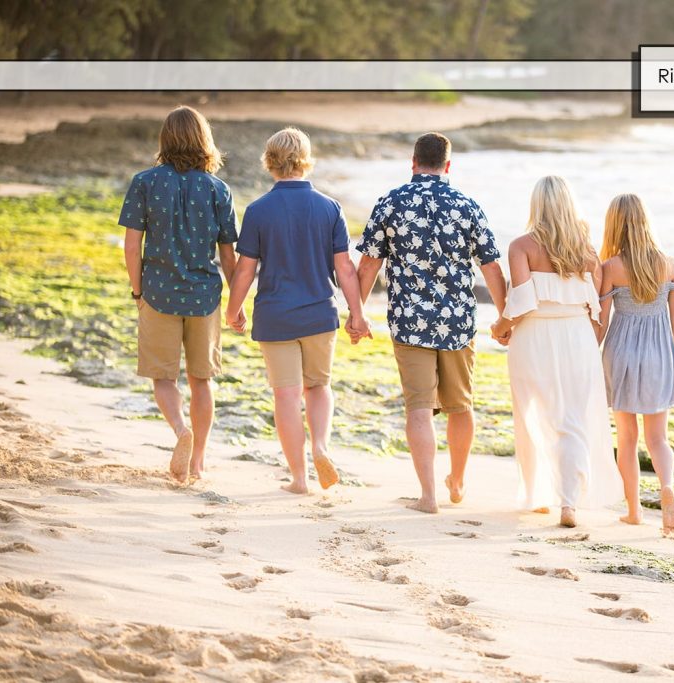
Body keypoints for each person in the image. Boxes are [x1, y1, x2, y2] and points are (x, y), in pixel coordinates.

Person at [356, 132, 507, 514]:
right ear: (448, 165)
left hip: (409, 321)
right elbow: (490, 267)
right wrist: (505, 315)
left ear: (413, 161)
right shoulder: (466, 205)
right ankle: (457, 480)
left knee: (419, 408)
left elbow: (369, 263)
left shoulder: (391, 202)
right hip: (457, 322)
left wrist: (356, 313)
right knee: (460, 406)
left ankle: (428, 496)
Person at [225, 128, 369, 494]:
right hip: (320, 313)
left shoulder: (258, 210)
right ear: (306, 160)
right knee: (319, 386)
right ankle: (321, 446)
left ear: (269, 162)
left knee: (286, 395)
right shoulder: (329, 207)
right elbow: (345, 268)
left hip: (276, 316)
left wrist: (234, 308)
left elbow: (246, 269)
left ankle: (300, 478)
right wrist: (357, 313)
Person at [490, 176, 621, 528]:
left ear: (537, 205)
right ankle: (568, 502)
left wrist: (500, 329)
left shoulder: (521, 246)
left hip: (533, 335)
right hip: (577, 335)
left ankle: (538, 494)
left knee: (532, 413)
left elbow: (519, 302)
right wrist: (587, 341)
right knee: (572, 418)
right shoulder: (587, 251)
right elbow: (596, 309)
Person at [120, 105, 238, 484]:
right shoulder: (219, 189)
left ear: (165, 139)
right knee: (202, 380)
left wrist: (137, 291)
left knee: (164, 377)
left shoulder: (145, 182)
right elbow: (228, 254)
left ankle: (180, 430)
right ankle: (198, 460)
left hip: (157, 292)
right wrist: (236, 302)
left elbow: (131, 245)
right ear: (205, 139)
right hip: (204, 296)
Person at [597, 193, 674, 534]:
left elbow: (602, 321)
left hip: (620, 354)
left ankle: (634, 511)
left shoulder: (611, 267)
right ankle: (667, 488)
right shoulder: (669, 263)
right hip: (659, 354)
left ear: (614, 225)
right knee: (658, 439)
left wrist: (589, 355)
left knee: (627, 436)